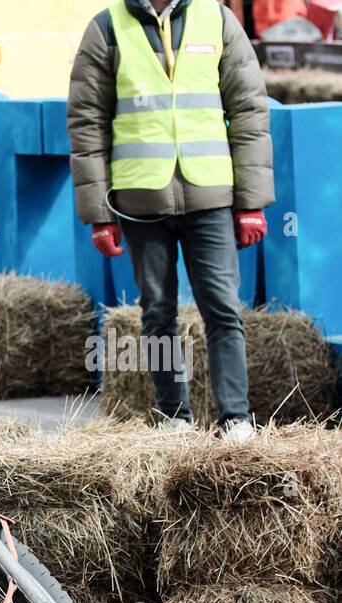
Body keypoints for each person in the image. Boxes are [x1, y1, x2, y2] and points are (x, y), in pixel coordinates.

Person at [69, 0, 273, 441]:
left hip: (211, 196)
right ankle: (174, 416)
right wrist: (100, 216)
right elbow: (87, 124)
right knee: (156, 312)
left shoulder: (216, 18)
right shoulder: (107, 28)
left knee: (223, 309)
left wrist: (251, 202)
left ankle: (235, 418)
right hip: (141, 201)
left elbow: (250, 110)